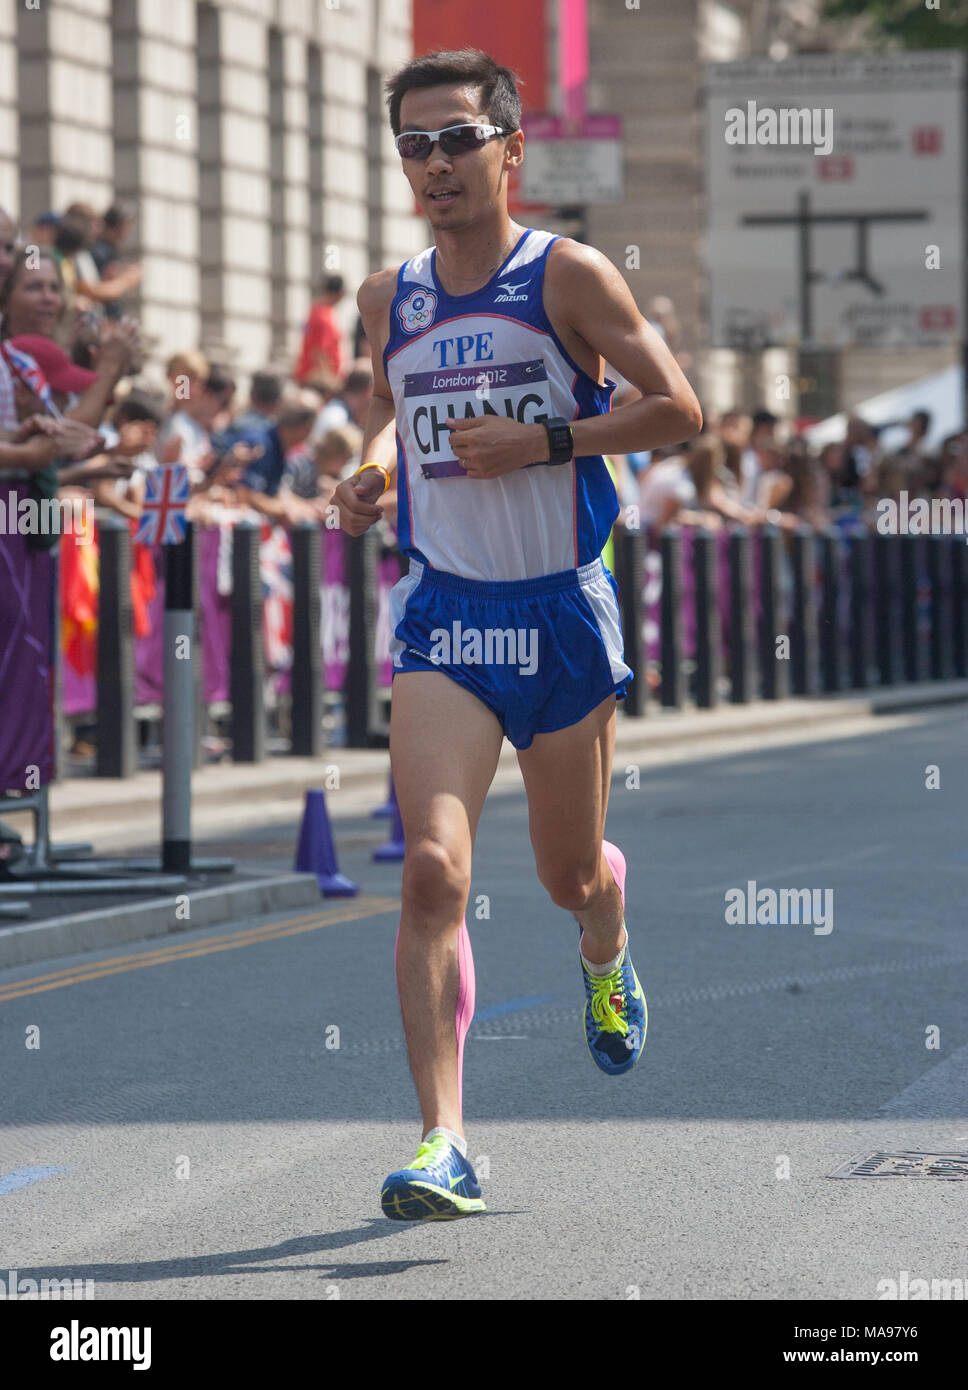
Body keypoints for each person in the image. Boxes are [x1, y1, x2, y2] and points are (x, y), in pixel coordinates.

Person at [333, 47, 702, 1221]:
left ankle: (604, 934)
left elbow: (677, 411)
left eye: (454, 139)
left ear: (507, 148)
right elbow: (390, 408)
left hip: (557, 613)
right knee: (434, 871)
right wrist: (368, 469)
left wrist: (544, 444)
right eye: (412, 144)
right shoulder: (388, 295)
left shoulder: (568, 276)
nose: (433, 164)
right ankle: (441, 1139)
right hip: (443, 615)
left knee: (560, 872)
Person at [294, 274, 346, 385]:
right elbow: (320, 352)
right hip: (318, 380)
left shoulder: (315, 311)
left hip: (310, 375)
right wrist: (331, 381)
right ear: (340, 293)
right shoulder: (323, 317)